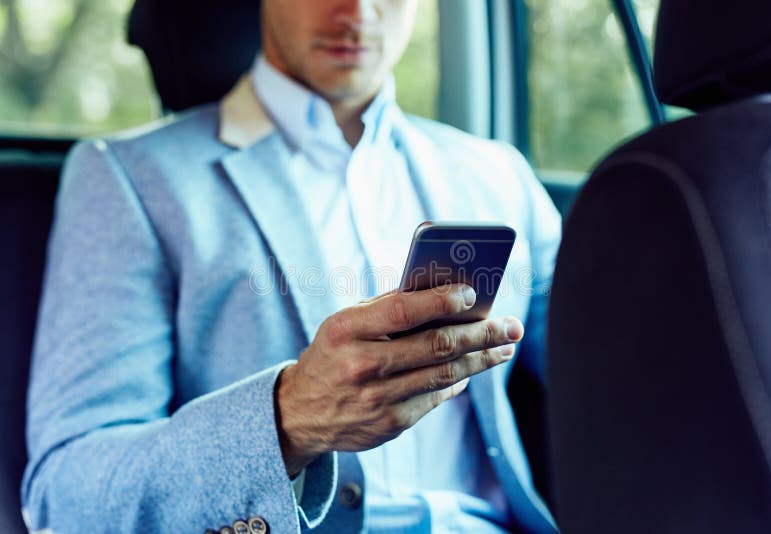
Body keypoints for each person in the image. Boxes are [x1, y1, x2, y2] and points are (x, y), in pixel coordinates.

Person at [21, 0, 562, 532]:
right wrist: (289, 420)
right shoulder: (129, 178)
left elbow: (595, 371)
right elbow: (64, 492)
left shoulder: (498, 175)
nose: (358, 13)